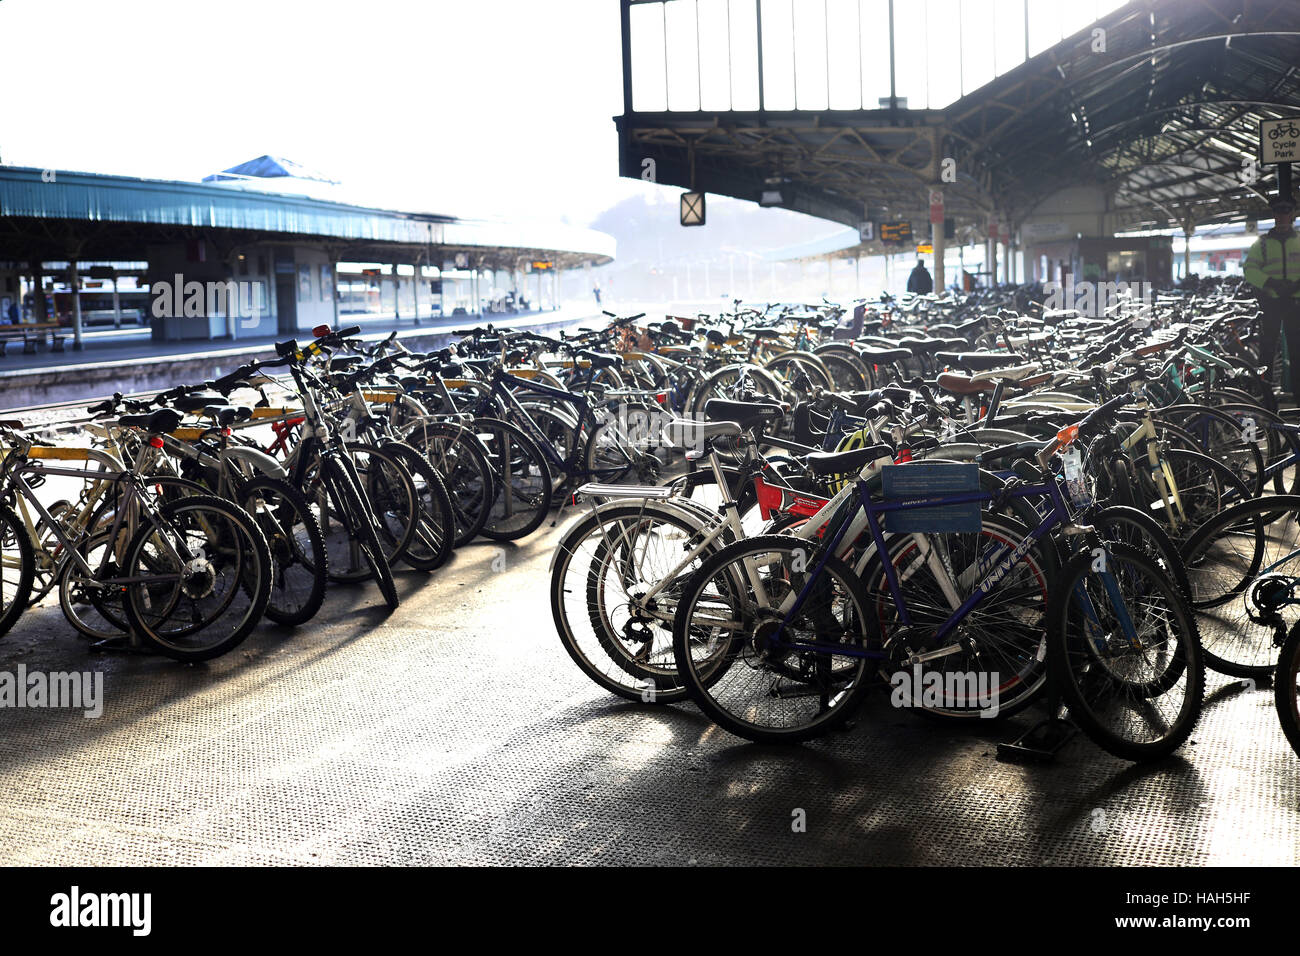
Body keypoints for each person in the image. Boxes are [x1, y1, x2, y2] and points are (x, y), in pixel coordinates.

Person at [1244, 195, 1300, 401]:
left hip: (1295, 303)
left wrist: (1296, 285)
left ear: (1293, 215)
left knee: (1297, 350)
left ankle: (1298, 394)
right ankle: (1264, 393)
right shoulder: (1263, 244)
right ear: (1274, 216)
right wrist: (1271, 283)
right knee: (1267, 350)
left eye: (1286, 214)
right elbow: (1249, 269)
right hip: (1272, 303)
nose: (1283, 218)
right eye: (1279, 214)